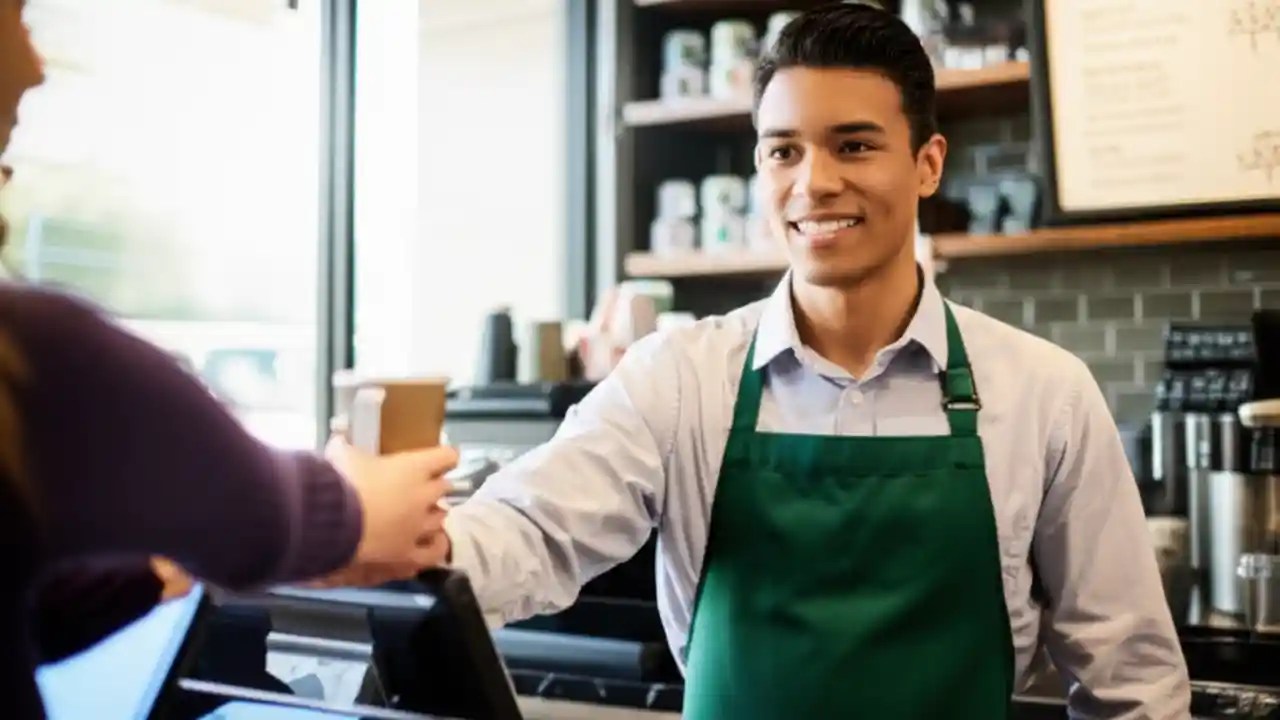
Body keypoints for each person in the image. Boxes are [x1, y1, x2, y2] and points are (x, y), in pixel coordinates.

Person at [440, 4, 1191, 719]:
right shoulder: (680, 378)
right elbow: (531, 530)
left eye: (854, 145)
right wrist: (403, 547)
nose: (814, 182)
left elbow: (1131, 679)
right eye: (783, 150)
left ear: (928, 165)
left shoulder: (1044, 393)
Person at [0, 2, 457, 717]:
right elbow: (263, 513)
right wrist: (361, 504)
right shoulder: (34, 355)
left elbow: (32, 619)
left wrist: (168, 564)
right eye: (13, 18)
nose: (35, 67)